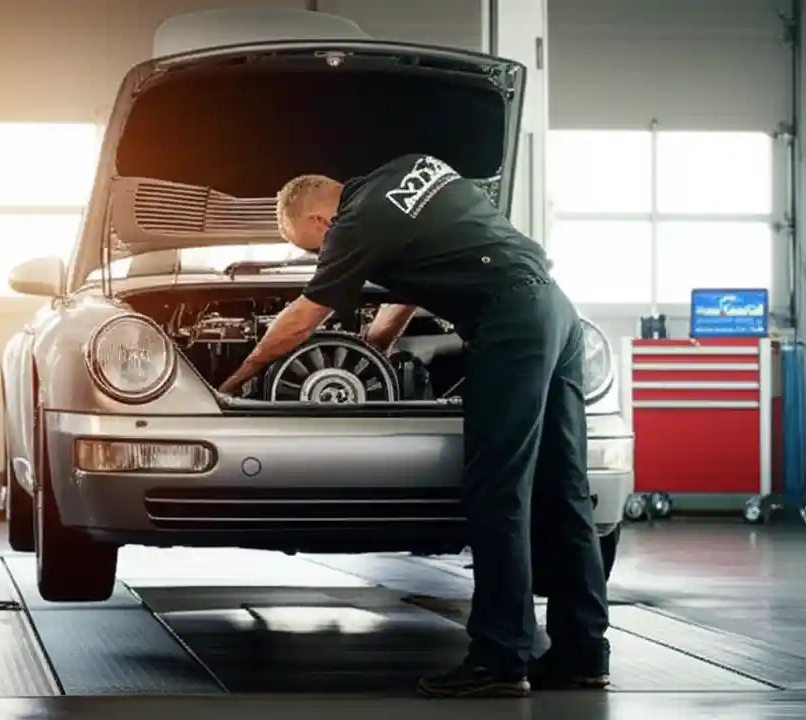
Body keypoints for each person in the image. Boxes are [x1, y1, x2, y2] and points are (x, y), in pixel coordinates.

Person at [216, 154, 611, 698]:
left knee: (499, 490)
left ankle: (500, 657)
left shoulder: (353, 225)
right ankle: (582, 653)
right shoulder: (409, 172)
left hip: (511, 322)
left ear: (317, 223)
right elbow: (409, 289)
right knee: (564, 490)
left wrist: (237, 378)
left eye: (312, 250)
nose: (322, 256)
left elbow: (304, 318)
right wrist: (372, 350)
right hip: (556, 310)